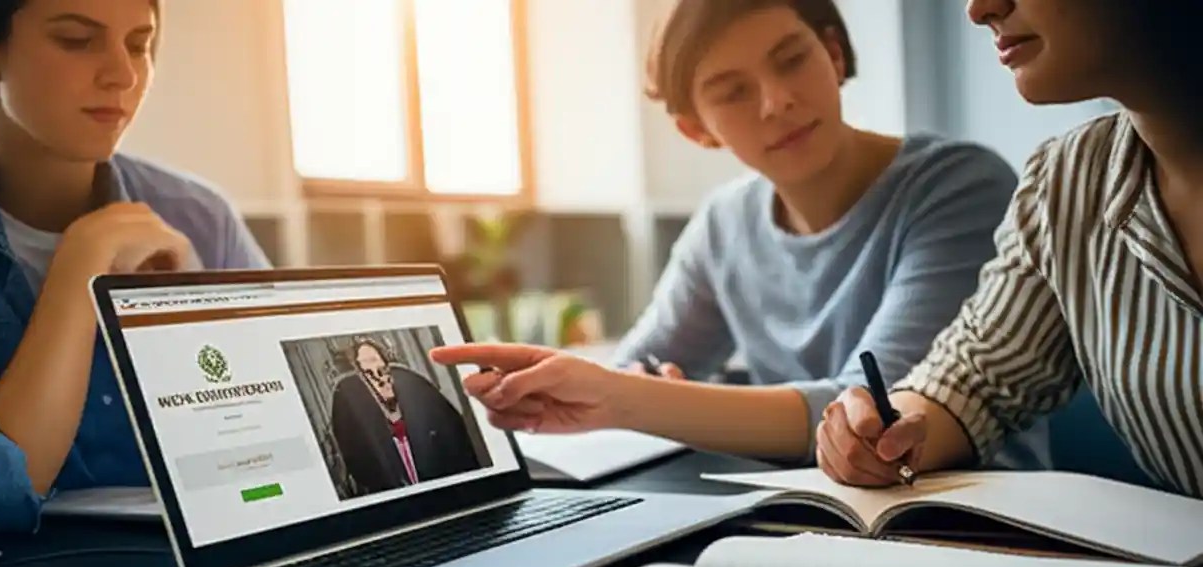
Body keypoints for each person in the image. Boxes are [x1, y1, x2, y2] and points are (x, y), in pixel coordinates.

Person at [428, 0, 1050, 469]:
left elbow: (874, 412)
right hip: (803, 517)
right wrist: (634, 392)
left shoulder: (959, 186)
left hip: (965, 517)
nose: (777, 101)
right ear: (697, 129)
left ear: (833, 56)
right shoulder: (725, 224)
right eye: (733, 93)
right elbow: (642, 368)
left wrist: (644, 399)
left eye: (792, 60)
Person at [811, 0, 1203, 497]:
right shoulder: (1066, 182)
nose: (980, 9)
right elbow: (974, 382)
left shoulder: (948, 181)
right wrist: (878, 436)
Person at [0, 0, 271, 538]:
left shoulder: (201, 217)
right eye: (76, 41)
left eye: (138, 43)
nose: (123, 74)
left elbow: (276, 442)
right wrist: (82, 264)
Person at [330, 338, 482, 496]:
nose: (379, 378)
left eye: (382, 369)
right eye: (369, 373)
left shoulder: (414, 386)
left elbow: (456, 440)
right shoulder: (352, 403)